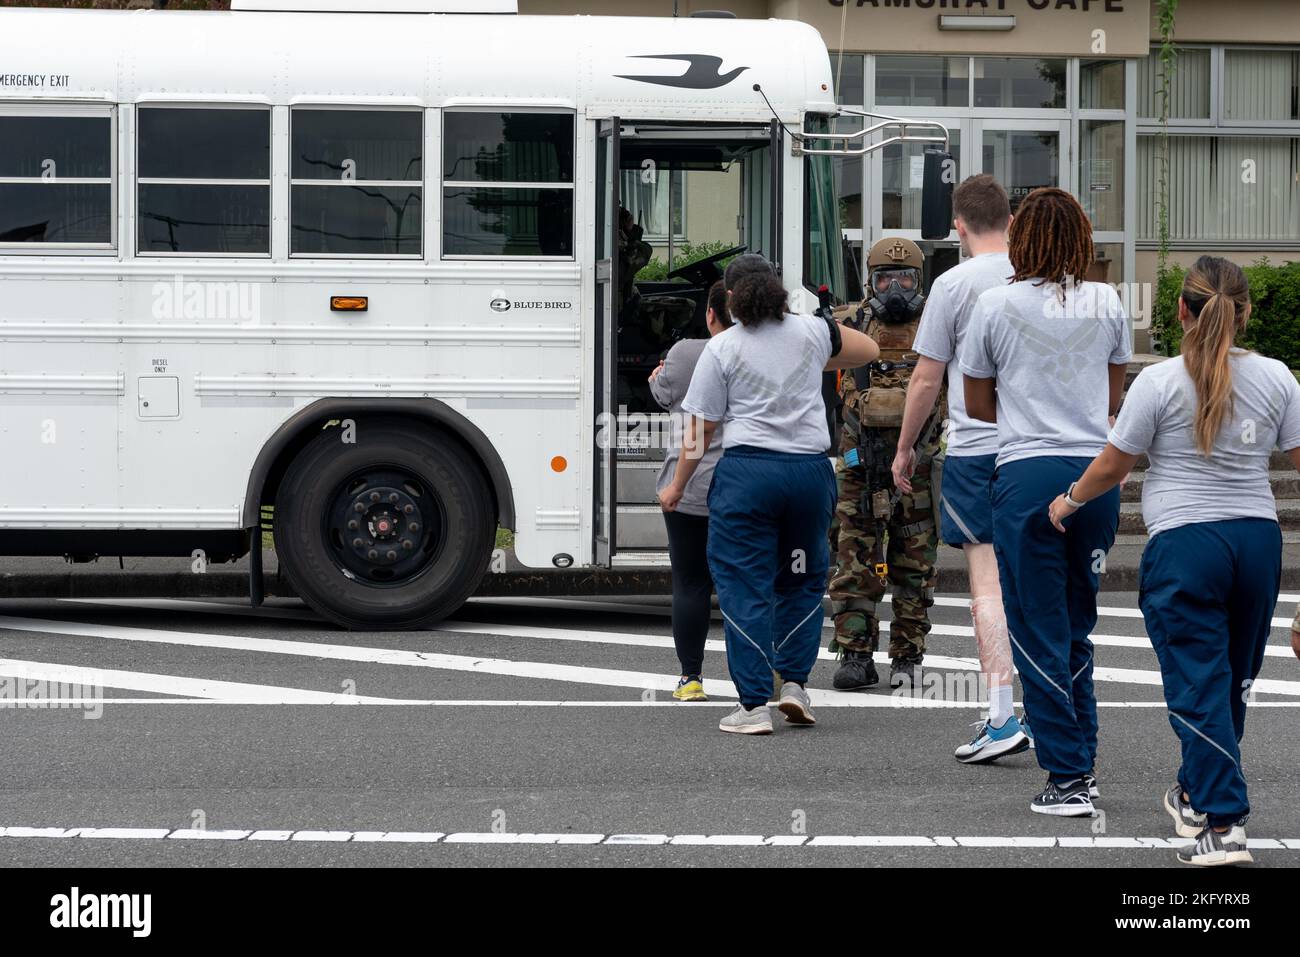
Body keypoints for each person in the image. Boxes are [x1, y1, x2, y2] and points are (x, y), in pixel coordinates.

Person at [1049, 256, 1300, 865]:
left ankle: (1223, 822)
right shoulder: (1280, 379)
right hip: (1258, 543)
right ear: (1245, 313)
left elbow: (1114, 465)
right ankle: (1195, 793)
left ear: (1182, 311)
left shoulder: (1159, 382)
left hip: (1187, 544)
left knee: (1197, 683)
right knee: (1232, 681)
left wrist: (1068, 500)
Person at [959, 187, 1131, 817]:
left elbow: (977, 404)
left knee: (1035, 629)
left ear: (1020, 237)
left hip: (1026, 473)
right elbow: (1113, 399)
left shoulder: (995, 303)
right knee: (1076, 624)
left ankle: (1068, 777)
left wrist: (1030, 409)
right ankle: (1080, 757)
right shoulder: (1108, 300)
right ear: (1081, 240)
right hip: (1094, 476)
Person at [659, 254, 879, 735]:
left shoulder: (724, 347)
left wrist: (677, 486)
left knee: (745, 587)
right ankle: (795, 685)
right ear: (778, 290)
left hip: (748, 476)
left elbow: (700, 430)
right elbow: (868, 350)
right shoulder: (812, 332)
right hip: (808, 474)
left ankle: (754, 705)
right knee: (801, 580)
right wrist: (819, 351)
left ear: (731, 297)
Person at [891, 175, 1030, 762]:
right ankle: (1060, 714)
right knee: (1046, 582)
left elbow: (926, 378)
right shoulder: (1049, 278)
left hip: (977, 449)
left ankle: (1001, 715)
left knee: (987, 583)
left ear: (959, 225)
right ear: (1011, 220)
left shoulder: (953, 284)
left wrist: (905, 447)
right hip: (1046, 450)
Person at [828, 237, 940, 692]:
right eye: (885, 278)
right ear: (869, 280)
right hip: (860, 463)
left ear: (919, 280)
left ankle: (907, 657)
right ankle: (855, 654)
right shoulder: (848, 324)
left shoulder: (939, 323)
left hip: (917, 464)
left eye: (905, 278)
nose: (895, 287)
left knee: (914, 564)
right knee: (854, 558)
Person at [649, 280, 731, 701]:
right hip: (739, 484)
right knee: (743, 585)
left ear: (710, 314)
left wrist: (656, 379)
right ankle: (758, 676)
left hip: (688, 487)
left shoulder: (684, 352)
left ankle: (691, 678)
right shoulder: (755, 352)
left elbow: (663, 393)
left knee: (689, 582)